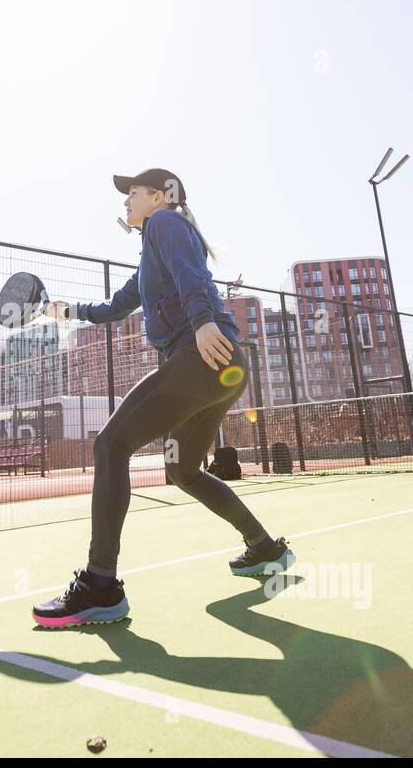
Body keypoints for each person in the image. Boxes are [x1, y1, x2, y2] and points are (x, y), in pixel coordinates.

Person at [32, 168, 295, 628]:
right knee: (182, 470)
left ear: (159, 196)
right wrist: (64, 310)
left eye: (132, 193)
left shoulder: (165, 223)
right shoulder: (150, 252)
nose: (125, 201)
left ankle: (100, 586)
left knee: (110, 445)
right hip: (222, 369)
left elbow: (191, 275)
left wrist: (203, 321)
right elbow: (114, 307)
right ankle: (265, 548)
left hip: (203, 356)